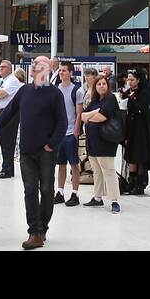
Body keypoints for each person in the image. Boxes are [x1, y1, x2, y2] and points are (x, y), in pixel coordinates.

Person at [0, 55, 68, 249]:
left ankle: (42, 228)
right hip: (26, 151)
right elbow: (9, 112)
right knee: (30, 190)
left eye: (37, 64)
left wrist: (51, 144)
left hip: (46, 152)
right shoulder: (24, 91)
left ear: (47, 69)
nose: (33, 66)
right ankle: (34, 231)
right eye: (32, 64)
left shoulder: (54, 94)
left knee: (47, 190)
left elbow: (62, 123)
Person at [79, 74, 122, 213]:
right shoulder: (95, 101)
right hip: (92, 141)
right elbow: (82, 116)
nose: (101, 86)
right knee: (97, 171)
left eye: (104, 84)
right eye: (99, 84)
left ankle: (114, 200)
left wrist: (91, 115)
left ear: (107, 86)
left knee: (108, 171)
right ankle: (97, 197)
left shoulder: (110, 99)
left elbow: (100, 117)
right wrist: (94, 112)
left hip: (105, 142)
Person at [121, 68, 150, 195]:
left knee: (140, 156)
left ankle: (140, 183)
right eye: (128, 79)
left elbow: (143, 108)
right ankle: (131, 182)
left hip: (142, 129)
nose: (129, 82)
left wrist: (131, 100)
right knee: (131, 155)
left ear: (138, 80)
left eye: (132, 79)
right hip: (131, 127)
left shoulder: (145, 91)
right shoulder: (130, 91)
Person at [53, 61, 84, 207]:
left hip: (71, 132)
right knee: (60, 164)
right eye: (60, 71)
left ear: (71, 73)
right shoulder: (56, 89)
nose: (61, 73)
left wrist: (76, 133)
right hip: (58, 134)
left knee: (74, 164)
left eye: (64, 71)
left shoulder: (77, 91)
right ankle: (59, 192)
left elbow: (79, 113)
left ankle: (75, 193)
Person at [0, 59, 20, 178]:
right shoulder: (0, 81)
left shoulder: (12, 80)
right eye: (0, 67)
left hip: (9, 114)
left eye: (3, 67)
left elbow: (0, 94)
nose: (0, 69)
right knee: (2, 142)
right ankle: (7, 168)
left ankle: (7, 169)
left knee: (8, 142)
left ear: (10, 69)